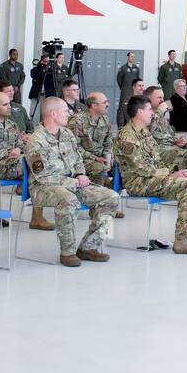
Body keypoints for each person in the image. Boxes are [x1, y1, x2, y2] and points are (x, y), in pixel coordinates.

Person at [115, 95, 187, 253]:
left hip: (155, 177)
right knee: (186, 184)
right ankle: (184, 240)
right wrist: (170, 175)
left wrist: (173, 172)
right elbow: (142, 170)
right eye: (150, 109)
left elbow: (157, 160)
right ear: (139, 112)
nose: (153, 113)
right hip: (138, 182)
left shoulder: (145, 133)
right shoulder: (126, 137)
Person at [25, 97, 120, 266]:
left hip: (72, 183)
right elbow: (43, 177)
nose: (69, 114)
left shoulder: (67, 133)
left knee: (111, 197)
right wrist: (74, 183)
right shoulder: (36, 140)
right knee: (69, 200)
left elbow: (77, 160)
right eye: (65, 111)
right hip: (44, 187)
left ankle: (89, 247)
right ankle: (67, 252)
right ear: (53, 114)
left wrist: (80, 174)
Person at [68, 92, 117, 185]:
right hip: (83, 159)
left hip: (101, 158)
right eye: (105, 102)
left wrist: (108, 156)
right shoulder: (77, 121)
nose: (108, 104)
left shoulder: (105, 119)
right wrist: (95, 158)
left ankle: (110, 189)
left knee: (123, 163)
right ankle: (95, 192)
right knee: (100, 168)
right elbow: (74, 148)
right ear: (94, 106)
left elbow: (109, 142)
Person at [146, 85, 187, 169]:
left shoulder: (161, 116)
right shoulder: (145, 114)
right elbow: (150, 133)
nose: (162, 100)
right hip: (159, 150)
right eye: (159, 97)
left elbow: (170, 133)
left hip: (172, 146)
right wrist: (160, 111)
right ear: (149, 99)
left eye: (163, 97)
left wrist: (176, 140)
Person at [116, 52, 142, 122]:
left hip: (133, 91)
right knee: (122, 107)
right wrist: (123, 87)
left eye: (134, 57)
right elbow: (119, 79)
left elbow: (137, 79)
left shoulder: (136, 68)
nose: (133, 58)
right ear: (128, 57)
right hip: (125, 91)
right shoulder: (123, 68)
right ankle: (121, 124)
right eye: (131, 56)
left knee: (134, 106)